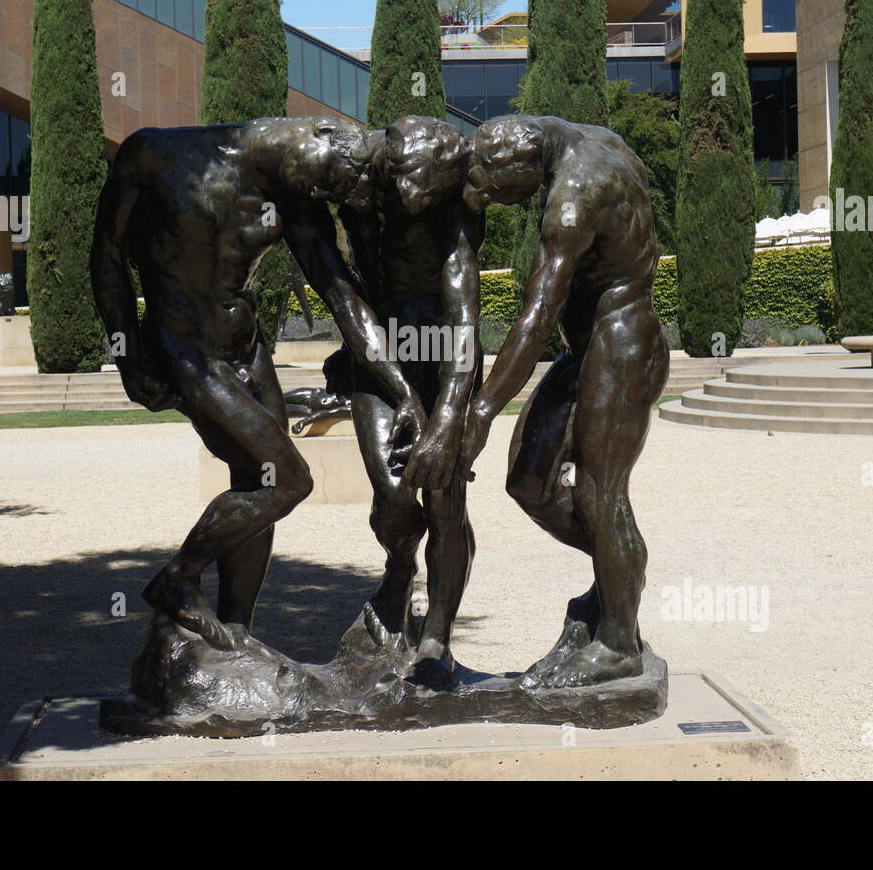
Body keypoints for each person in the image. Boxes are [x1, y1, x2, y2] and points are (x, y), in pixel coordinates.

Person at [91, 116, 426, 650]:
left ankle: (237, 628)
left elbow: (339, 293)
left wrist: (399, 385)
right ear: (312, 137)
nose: (320, 196)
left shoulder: (294, 187)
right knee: (287, 480)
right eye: (324, 184)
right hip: (186, 350)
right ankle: (177, 579)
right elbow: (107, 256)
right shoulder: (153, 153)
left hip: (248, 348)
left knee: (261, 476)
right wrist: (127, 354)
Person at [456, 115, 670, 688]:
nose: (503, 204)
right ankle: (616, 576)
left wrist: (481, 409)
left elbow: (536, 319)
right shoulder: (598, 139)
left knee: (602, 495)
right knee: (529, 481)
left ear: (524, 166)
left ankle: (620, 642)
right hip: (591, 348)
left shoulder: (573, 195)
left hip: (623, 343)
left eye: (502, 193)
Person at [331, 115, 483, 687]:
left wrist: (447, 415)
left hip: (446, 352)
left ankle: (437, 636)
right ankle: (399, 567)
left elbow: (464, 314)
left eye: (427, 185)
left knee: (445, 505)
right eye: (406, 181)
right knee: (393, 495)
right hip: (378, 353)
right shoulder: (360, 189)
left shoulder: (457, 209)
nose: (414, 195)